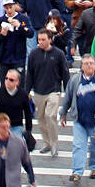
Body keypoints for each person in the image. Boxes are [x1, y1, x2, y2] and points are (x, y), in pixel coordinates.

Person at [60, 53, 95, 184]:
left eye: (91, 63)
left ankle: (94, 168)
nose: (89, 66)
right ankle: (77, 172)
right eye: (86, 63)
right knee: (78, 145)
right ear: (82, 66)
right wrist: (63, 114)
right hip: (80, 119)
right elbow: (67, 98)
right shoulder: (75, 80)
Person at [25, 26, 70, 155]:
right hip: (38, 91)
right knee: (41, 118)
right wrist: (26, 91)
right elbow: (30, 75)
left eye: (43, 39)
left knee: (50, 116)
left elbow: (65, 73)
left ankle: (54, 143)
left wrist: (68, 92)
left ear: (50, 40)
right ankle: (47, 143)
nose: (40, 42)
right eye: (39, 39)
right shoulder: (34, 54)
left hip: (53, 90)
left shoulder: (58, 54)